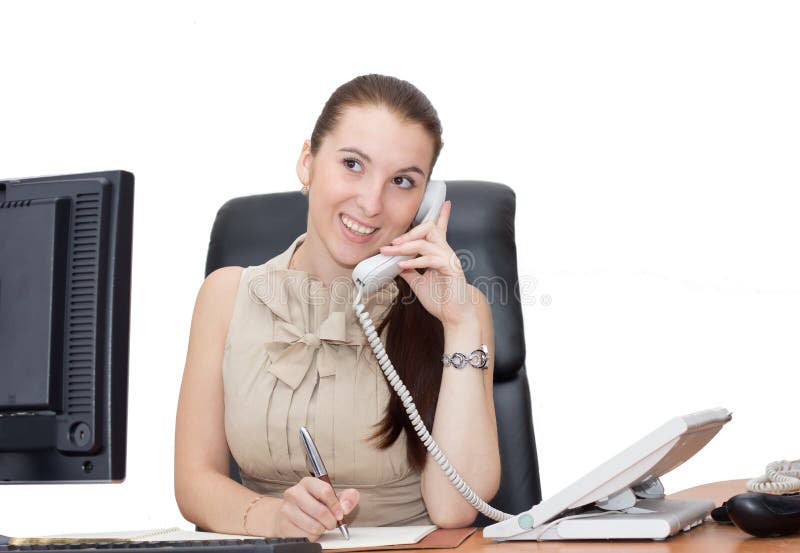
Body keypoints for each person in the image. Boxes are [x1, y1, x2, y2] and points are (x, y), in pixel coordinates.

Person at [174, 74, 500, 541]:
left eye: (402, 181)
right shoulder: (226, 297)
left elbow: (454, 508)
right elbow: (194, 482)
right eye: (352, 164)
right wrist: (275, 519)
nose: (371, 203)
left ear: (426, 201)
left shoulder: (459, 311)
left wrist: (461, 323)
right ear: (307, 162)